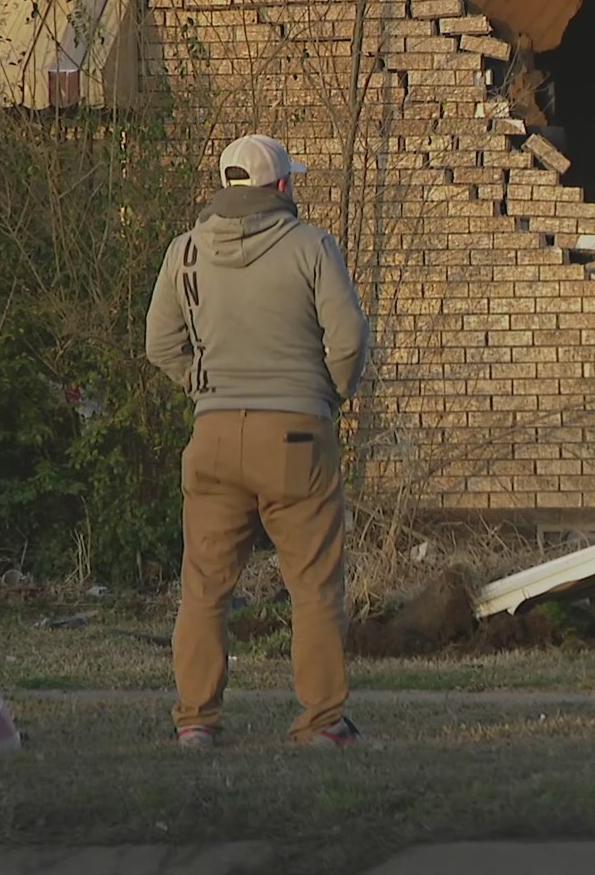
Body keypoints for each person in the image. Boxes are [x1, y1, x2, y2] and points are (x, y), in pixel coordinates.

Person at [146, 134, 372, 748]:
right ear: (280, 188)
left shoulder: (185, 252)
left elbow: (160, 344)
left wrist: (204, 388)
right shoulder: (313, 246)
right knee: (314, 586)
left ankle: (196, 720)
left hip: (213, 436)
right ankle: (322, 723)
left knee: (204, 587)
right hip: (297, 435)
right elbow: (348, 339)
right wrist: (328, 395)